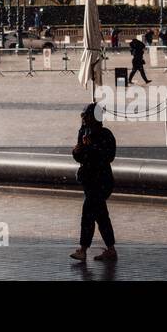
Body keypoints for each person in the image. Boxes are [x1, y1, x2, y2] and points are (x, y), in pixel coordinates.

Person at [70, 103, 117, 262]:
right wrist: (77, 151)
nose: (84, 120)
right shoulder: (83, 132)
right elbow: (81, 158)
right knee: (101, 215)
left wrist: (90, 147)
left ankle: (83, 249)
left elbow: (107, 157)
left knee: (88, 213)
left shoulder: (105, 135)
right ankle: (111, 249)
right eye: (83, 117)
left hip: (101, 181)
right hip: (89, 181)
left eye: (87, 117)